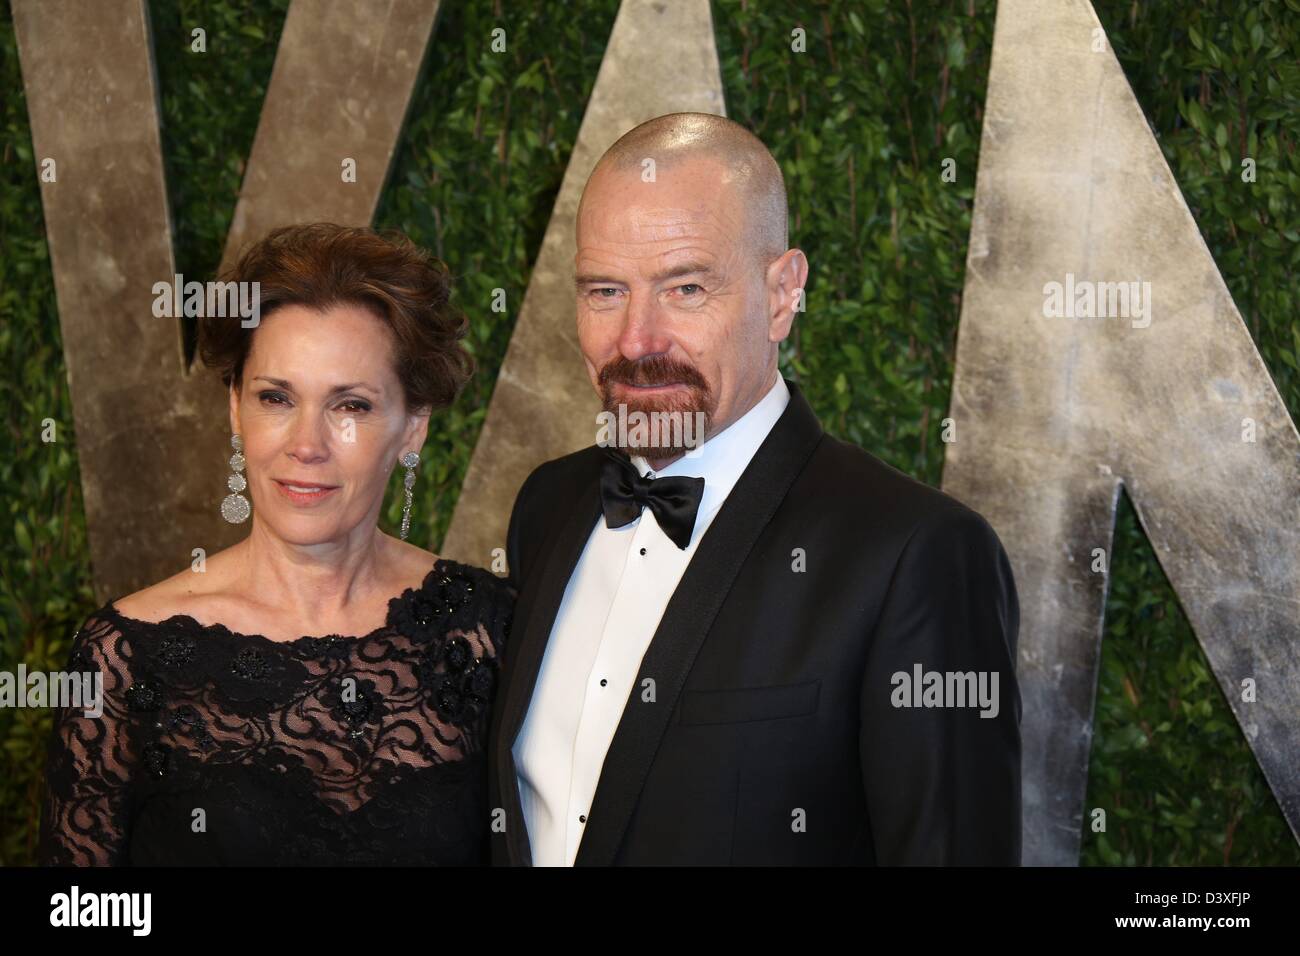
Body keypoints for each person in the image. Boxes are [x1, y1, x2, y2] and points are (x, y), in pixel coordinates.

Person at [490, 113, 1022, 866]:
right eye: (606, 290)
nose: (637, 339)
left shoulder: (918, 555)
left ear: (782, 294)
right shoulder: (547, 506)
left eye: (685, 287)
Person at [39, 223, 514, 865]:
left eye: (350, 405)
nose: (306, 443)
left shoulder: (488, 631)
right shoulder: (124, 658)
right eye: (275, 397)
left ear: (413, 427)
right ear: (236, 407)